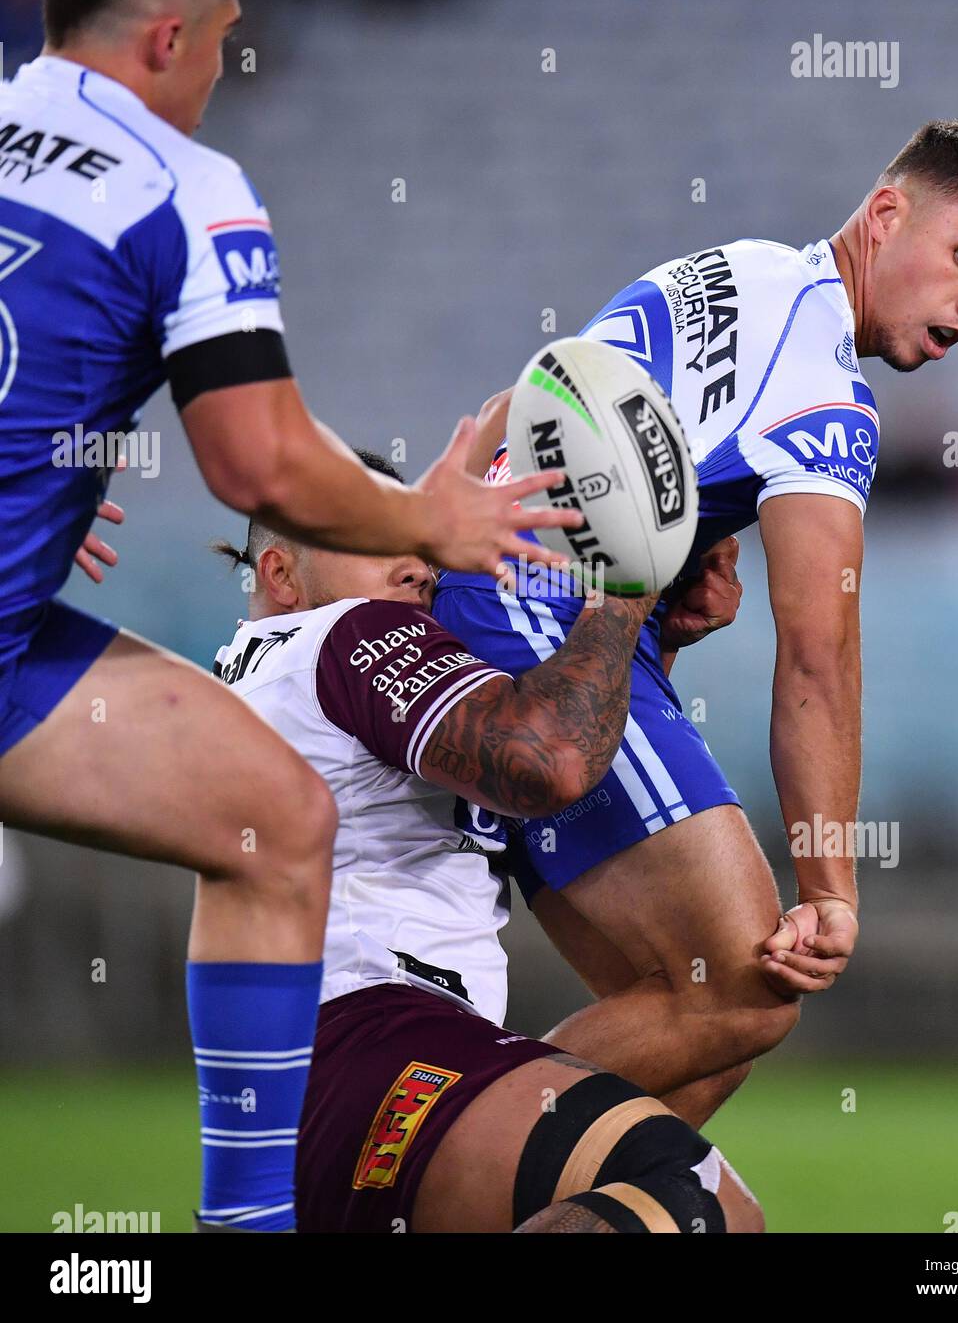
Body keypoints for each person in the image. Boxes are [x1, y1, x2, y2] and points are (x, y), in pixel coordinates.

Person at [0, 0, 577, 1232]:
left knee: (268, 814)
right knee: (277, 822)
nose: (222, 72)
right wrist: (429, 514)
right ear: (167, 40)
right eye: (222, 41)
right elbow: (252, 457)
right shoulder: (185, 182)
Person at [430, 121, 958, 1128]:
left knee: (696, 1052)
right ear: (887, 215)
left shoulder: (745, 267)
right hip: (546, 624)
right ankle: (405, 1172)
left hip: (497, 598)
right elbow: (820, 658)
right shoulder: (827, 396)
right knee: (744, 985)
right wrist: (832, 887)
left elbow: (553, 386)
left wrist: (676, 543)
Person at [212, 450, 757, 1233]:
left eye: (419, 531)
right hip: (372, 1040)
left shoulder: (258, 673)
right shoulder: (357, 631)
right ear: (280, 571)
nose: (416, 560)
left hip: (310, 1083)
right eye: (374, 532)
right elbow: (549, 763)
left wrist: (646, 648)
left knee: (704, 1041)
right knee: (690, 1193)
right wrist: (619, 599)